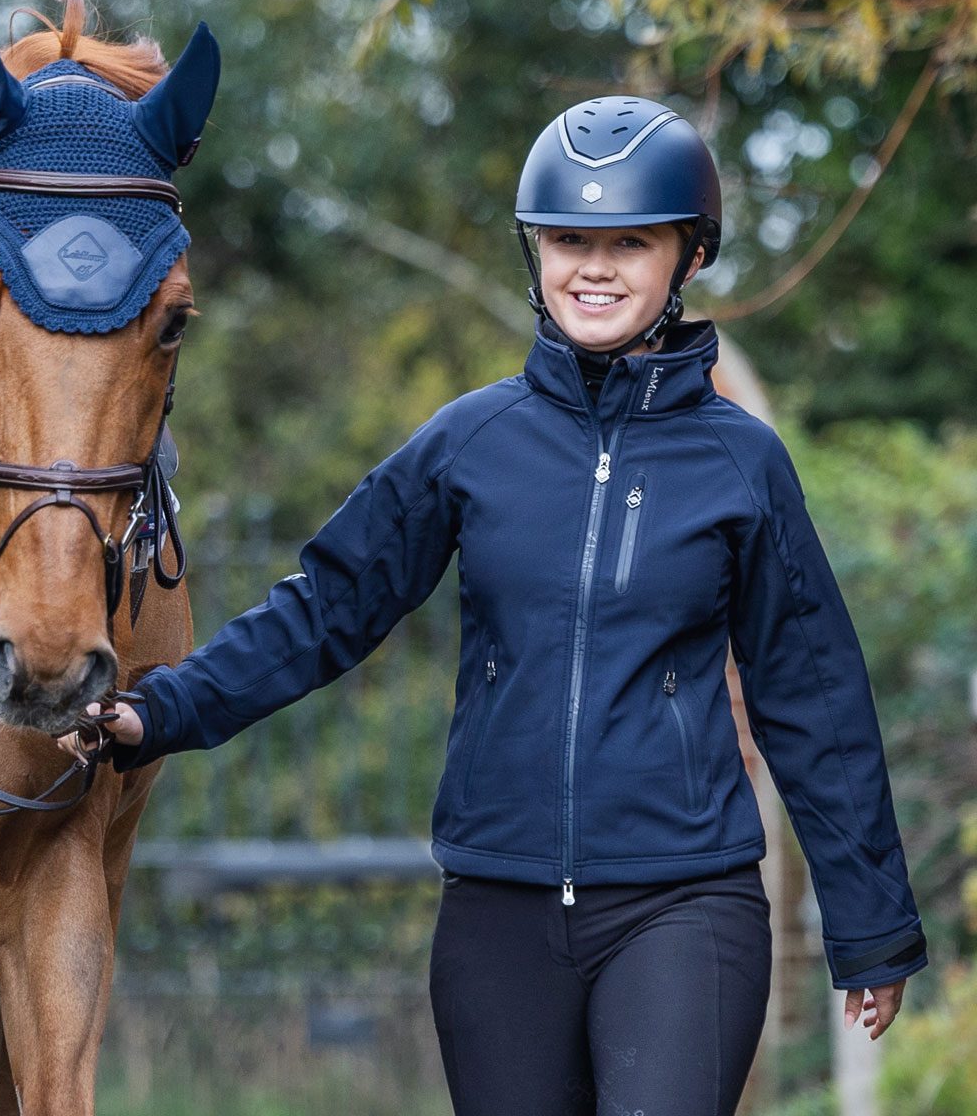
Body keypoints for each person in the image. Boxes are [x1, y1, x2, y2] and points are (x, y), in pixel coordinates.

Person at [61, 96, 928, 1114]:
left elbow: (811, 693)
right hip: (498, 913)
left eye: (629, 242)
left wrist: (870, 923)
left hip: (685, 904)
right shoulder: (471, 441)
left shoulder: (744, 460)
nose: (593, 268)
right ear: (537, 250)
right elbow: (329, 606)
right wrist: (162, 710)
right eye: (568, 239)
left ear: (689, 257)